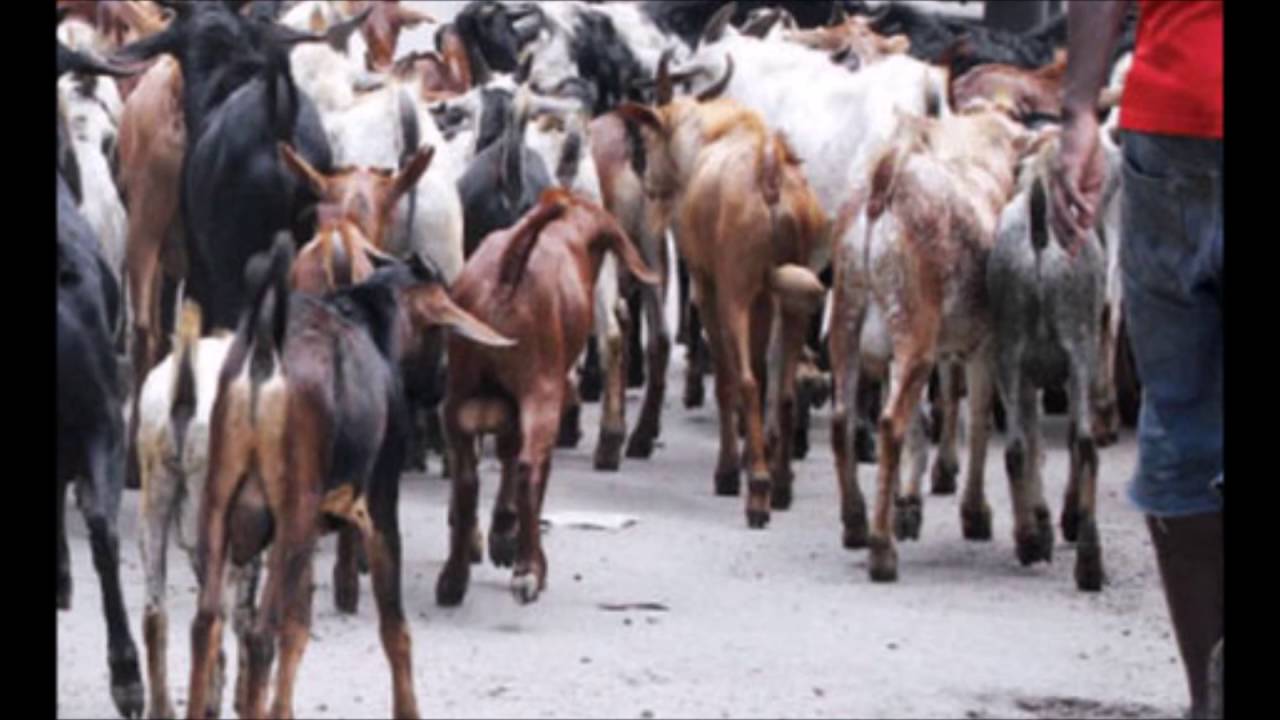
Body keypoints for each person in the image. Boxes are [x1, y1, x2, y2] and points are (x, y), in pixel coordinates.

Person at [1050, 1, 1222, 718]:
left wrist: (1079, 113)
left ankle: (1206, 697)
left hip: (1173, 119)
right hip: (1172, 128)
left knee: (1180, 417)